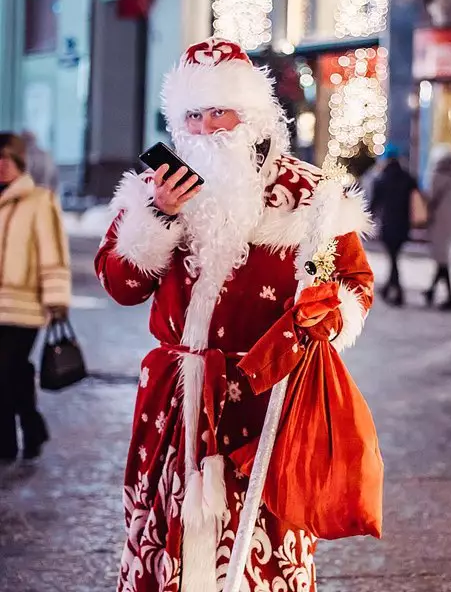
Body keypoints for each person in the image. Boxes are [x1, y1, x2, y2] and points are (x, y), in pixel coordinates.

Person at [96, 38, 376, 592]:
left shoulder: (311, 197)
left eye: (217, 112)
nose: (204, 128)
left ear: (250, 115)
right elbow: (121, 285)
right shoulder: (154, 192)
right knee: (169, 541)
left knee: (262, 548)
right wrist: (158, 216)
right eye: (192, 116)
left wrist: (331, 314)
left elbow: (351, 283)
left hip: (266, 398)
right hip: (174, 407)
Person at [0, 133, 70, 462]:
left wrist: (56, 299)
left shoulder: (40, 200)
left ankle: (6, 442)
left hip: (24, 305)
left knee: (6, 370)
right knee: (14, 372)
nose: (2, 167)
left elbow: (52, 250)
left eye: (8, 160)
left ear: (19, 163)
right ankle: (31, 428)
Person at [371, 145, 419, 307]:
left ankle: (397, 291)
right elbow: (417, 194)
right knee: (394, 257)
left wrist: (368, 219)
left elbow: (374, 204)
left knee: (393, 258)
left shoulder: (381, 179)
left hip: (388, 224)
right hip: (403, 224)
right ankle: (389, 289)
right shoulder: (407, 177)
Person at [423, 146, 451, 311]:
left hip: (439, 220)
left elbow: (431, 197)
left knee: (442, 258)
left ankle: (447, 296)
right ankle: (434, 291)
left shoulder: (436, 177)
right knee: (444, 257)